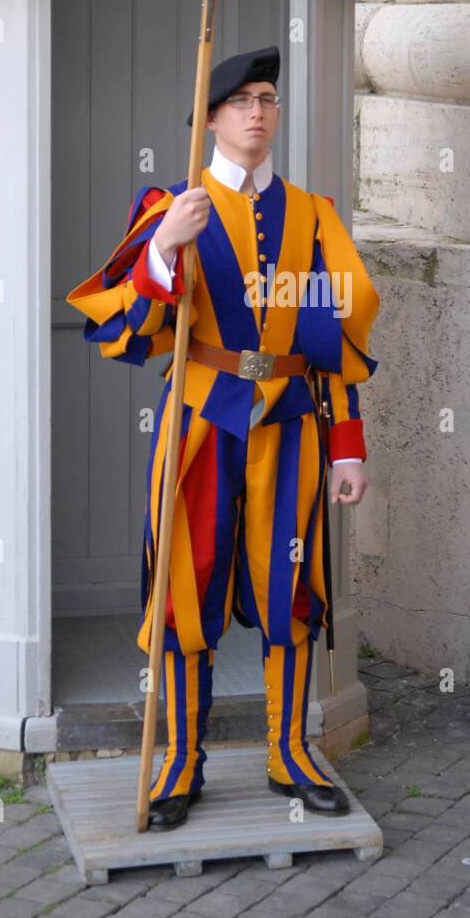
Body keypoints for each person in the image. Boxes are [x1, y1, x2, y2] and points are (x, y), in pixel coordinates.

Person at [65, 46, 379, 830]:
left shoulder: (313, 215)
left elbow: (329, 342)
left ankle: (289, 752)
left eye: (267, 99)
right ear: (210, 118)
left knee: (292, 586)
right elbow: (126, 335)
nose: (256, 113)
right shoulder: (171, 205)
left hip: (293, 424)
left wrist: (348, 444)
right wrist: (165, 249)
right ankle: (179, 759)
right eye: (239, 101)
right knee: (186, 584)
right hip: (202, 421)